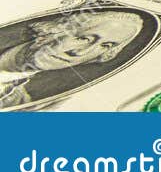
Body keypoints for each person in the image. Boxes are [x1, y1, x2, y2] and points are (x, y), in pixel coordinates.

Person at [0, 10, 143, 109]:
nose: (80, 53)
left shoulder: (25, 103)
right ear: (51, 32)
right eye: (83, 38)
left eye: (105, 46)